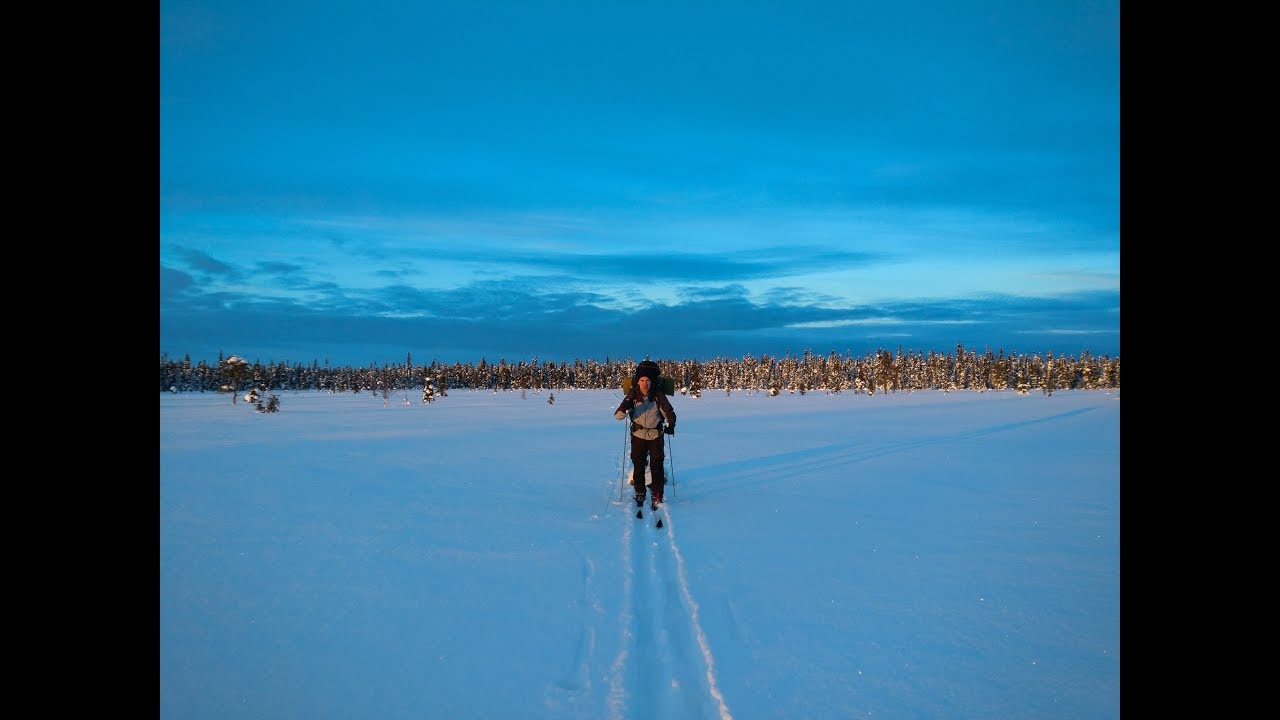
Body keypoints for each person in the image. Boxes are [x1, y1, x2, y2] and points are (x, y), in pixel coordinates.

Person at [614, 361, 676, 510]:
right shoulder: (633, 395)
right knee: (639, 465)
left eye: (647, 380)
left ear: (652, 381)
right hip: (638, 435)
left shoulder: (658, 395)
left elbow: (670, 413)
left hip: (655, 435)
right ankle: (640, 492)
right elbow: (618, 416)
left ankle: (657, 495)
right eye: (642, 380)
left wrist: (670, 425)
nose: (644, 384)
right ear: (638, 381)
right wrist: (626, 404)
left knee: (657, 466)